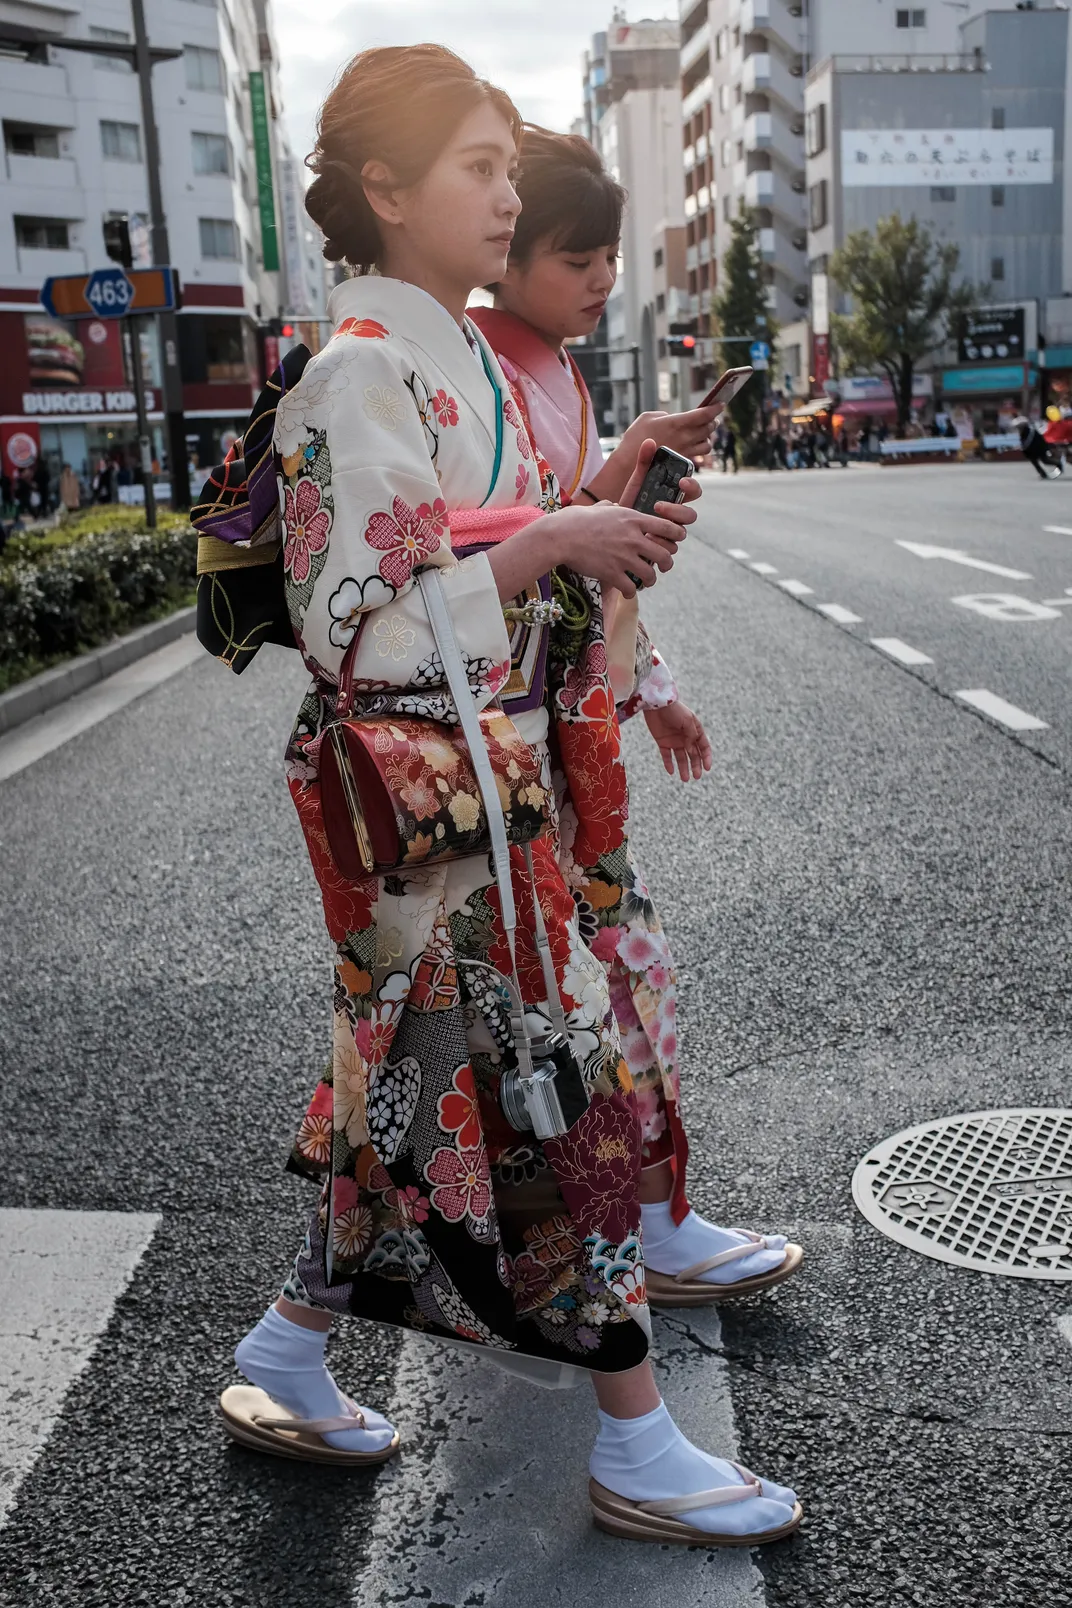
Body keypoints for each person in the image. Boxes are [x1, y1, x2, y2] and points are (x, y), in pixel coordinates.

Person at [212, 44, 800, 1548]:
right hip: (433, 810)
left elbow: (480, 543)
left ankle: (287, 1345)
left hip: (487, 783)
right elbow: (362, 625)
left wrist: (590, 505)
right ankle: (637, 1438)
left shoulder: (446, 359)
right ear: (389, 188)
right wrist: (555, 548)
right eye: (476, 166)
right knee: (562, 1100)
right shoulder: (356, 368)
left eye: (504, 162)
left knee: (411, 1093)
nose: (506, 189)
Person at [468, 124, 801, 1304]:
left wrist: (648, 685)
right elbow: (508, 559)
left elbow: (564, 549)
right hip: (509, 760)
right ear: (503, 252)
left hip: (565, 746)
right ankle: (627, 1231)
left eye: (607, 255)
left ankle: (639, 1221)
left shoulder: (551, 370)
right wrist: (595, 516)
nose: (602, 278)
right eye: (575, 257)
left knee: (605, 985)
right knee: (566, 1003)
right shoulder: (482, 372)